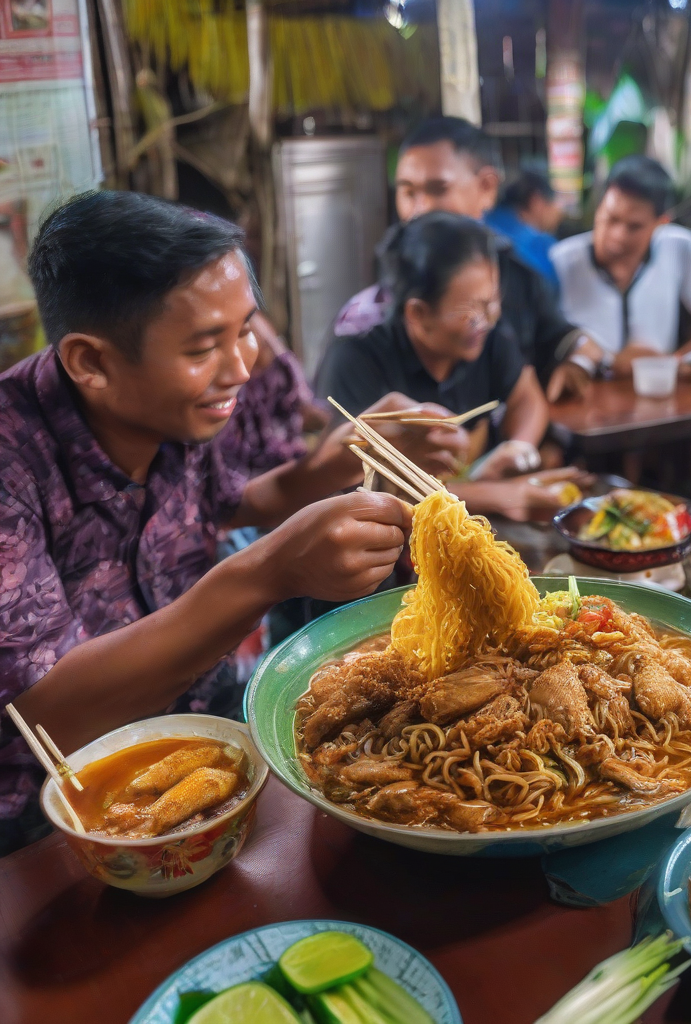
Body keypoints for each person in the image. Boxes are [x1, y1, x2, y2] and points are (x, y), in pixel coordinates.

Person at [0, 191, 467, 853]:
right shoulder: (10, 460)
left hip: (212, 724)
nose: (242, 367)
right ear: (92, 362)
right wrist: (266, 572)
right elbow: (45, 709)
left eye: (245, 328)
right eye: (203, 348)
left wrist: (330, 463)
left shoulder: (183, 402)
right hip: (52, 812)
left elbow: (231, 499)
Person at [319, 212, 583, 521]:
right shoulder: (357, 359)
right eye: (473, 310)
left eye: (494, 301)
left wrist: (518, 446)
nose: (491, 317)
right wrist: (501, 495)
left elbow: (527, 397)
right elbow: (369, 488)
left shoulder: (486, 337)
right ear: (418, 313)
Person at [323, 116, 591, 402]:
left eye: (438, 190)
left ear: (487, 188)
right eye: (408, 192)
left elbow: (571, 344)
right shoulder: (371, 313)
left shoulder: (521, 279)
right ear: (417, 313)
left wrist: (578, 363)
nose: (419, 210)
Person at [551, 155, 691, 378]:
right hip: (585, 394)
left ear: (661, 222)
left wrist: (676, 363)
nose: (618, 235)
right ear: (598, 207)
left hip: (657, 393)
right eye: (611, 219)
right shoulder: (561, 261)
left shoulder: (678, 247)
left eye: (634, 227)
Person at [484, 170, 562, 289]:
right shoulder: (543, 247)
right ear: (536, 201)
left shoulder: (479, 223)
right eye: (554, 203)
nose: (559, 213)